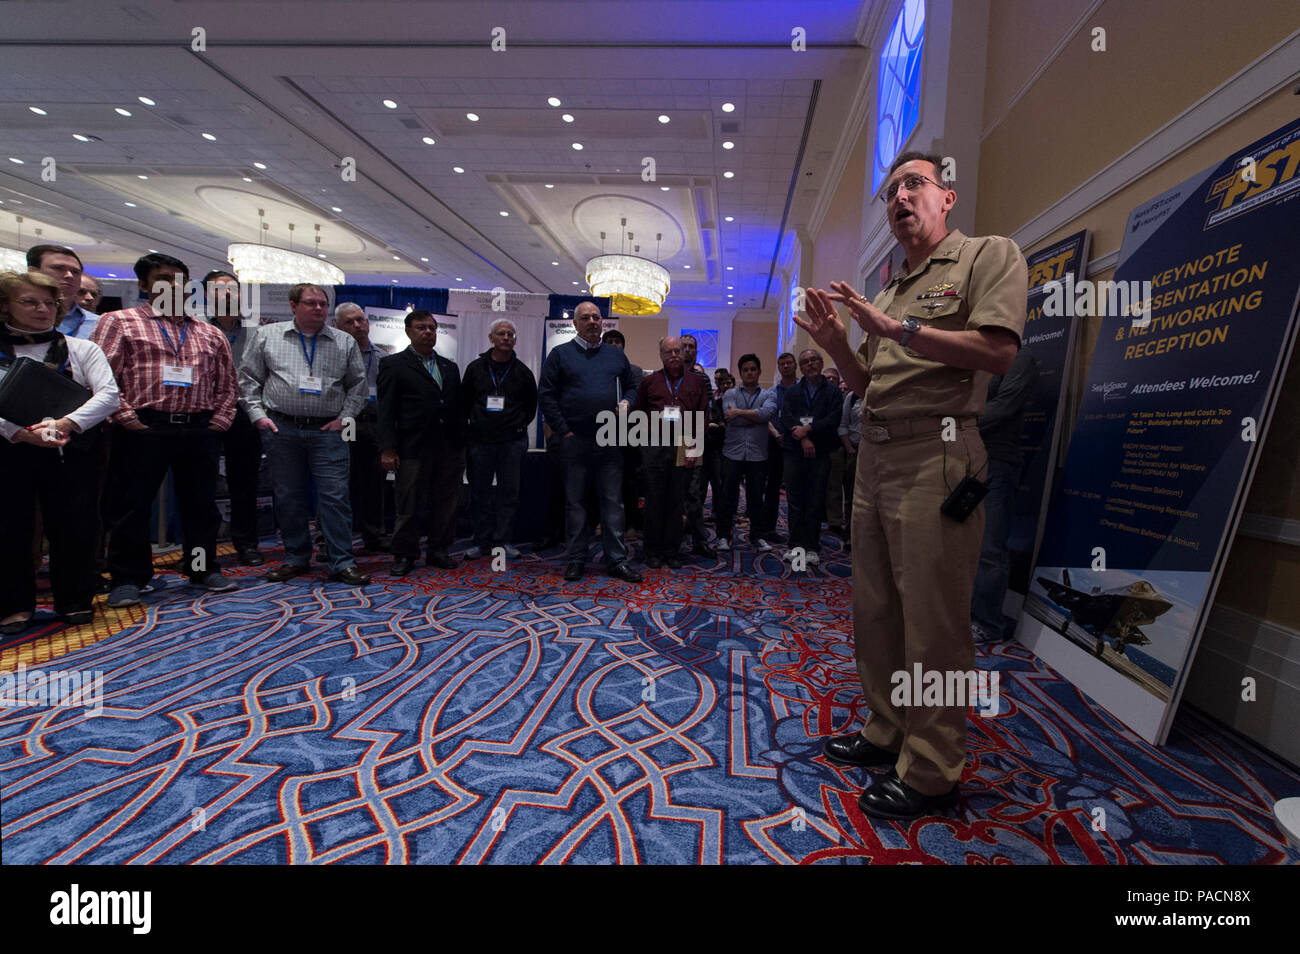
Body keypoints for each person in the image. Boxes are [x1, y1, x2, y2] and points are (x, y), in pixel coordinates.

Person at [798, 150, 1028, 820]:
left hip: (941, 452)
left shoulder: (988, 255)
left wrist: (900, 329)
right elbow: (865, 383)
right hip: (876, 453)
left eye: (912, 185)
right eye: (890, 192)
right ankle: (887, 729)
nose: (899, 198)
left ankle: (932, 768)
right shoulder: (891, 288)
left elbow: (999, 353)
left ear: (946, 196)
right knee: (875, 609)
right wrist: (839, 342)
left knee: (933, 619)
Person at [92, 253, 240, 606]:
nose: (173, 286)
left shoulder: (209, 331)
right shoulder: (119, 322)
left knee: (201, 507)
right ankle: (129, 578)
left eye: (179, 279)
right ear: (144, 285)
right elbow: (101, 378)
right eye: (163, 279)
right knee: (131, 506)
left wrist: (219, 422)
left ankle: (202, 567)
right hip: (143, 427)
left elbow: (228, 384)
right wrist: (127, 418)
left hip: (198, 428)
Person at [0, 271, 118, 633]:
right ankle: (14, 605)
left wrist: (62, 425)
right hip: (8, 450)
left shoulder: (81, 348)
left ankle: (75, 600)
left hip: (71, 449)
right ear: (5, 306)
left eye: (50, 303)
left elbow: (108, 395)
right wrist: (19, 433)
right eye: (30, 302)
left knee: (75, 526)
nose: (43, 309)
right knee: (9, 529)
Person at [240, 283, 370, 585]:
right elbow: (247, 380)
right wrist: (258, 416)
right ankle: (296, 558)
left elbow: (358, 387)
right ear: (293, 305)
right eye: (311, 303)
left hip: (328, 431)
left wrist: (344, 419)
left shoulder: (344, 341)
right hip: (281, 428)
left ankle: (341, 562)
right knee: (288, 497)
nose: (318, 309)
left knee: (335, 497)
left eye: (323, 304)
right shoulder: (267, 335)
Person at [537, 301, 642, 583]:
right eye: (586, 317)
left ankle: (617, 561)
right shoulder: (559, 355)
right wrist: (563, 431)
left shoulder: (615, 356)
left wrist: (627, 401)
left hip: (609, 441)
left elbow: (632, 386)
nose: (593, 321)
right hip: (575, 442)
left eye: (597, 317)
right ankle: (576, 559)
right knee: (576, 504)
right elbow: (546, 395)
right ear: (575, 323)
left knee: (613, 503)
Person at [376, 310, 465, 575]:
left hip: (448, 447)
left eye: (432, 328)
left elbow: (455, 407)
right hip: (412, 447)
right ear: (408, 332)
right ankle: (404, 554)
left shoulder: (449, 367)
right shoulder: (394, 365)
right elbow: (386, 410)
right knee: (409, 504)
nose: (428, 332)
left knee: (447, 503)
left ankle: (438, 550)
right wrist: (387, 448)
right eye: (421, 328)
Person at [971, 344, 1040, 641]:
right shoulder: (974, 362)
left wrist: (957, 425)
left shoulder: (1020, 360)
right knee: (961, 545)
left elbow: (1003, 407)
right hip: (963, 460)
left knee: (990, 547)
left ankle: (987, 623)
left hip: (997, 463)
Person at [461, 318, 537, 560]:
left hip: (512, 443)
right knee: (479, 492)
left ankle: (502, 541)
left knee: (509, 494)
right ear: (491, 338)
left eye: (511, 334)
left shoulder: (523, 372)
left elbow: (531, 407)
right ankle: (480, 541)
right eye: (501, 334)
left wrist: (516, 426)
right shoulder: (475, 368)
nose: (506, 338)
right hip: (480, 441)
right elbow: (464, 401)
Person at [203, 270, 264, 566]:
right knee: (200, 484)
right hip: (205, 413)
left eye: (233, 289)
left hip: (244, 414)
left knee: (245, 483)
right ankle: (202, 549)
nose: (228, 294)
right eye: (219, 289)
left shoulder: (257, 332)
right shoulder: (196, 329)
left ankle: (247, 544)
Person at [634, 336, 708, 569]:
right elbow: (640, 413)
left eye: (678, 350)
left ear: (684, 353)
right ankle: (653, 551)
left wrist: (694, 448)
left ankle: (672, 551)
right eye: (669, 352)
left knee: (677, 502)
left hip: (683, 445)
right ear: (661, 355)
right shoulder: (650, 382)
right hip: (655, 446)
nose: (675, 355)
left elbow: (703, 417)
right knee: (654, 501)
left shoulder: (697, 382)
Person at [332, 302, 392, 553]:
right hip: (342, 424)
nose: (358, 326)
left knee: (373, 484)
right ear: (337, 326)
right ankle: (330, 540)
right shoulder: (333, 354)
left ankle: (373, 535)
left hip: (372, 425)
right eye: (350, 322)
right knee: (336, 486)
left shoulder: (384, 359)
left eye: (361, 320)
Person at [777, 349, 842, 564]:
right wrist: (803, 438)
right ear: (801, 367)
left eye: (814, 360)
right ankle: (795, 544)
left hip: (820, 452)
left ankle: (812, 546)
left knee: (815, 499)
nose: (810, 364)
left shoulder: (832, 392)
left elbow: (833, 419)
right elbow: (786, 416)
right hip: (795, 452)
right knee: (795, 500)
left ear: (821, 363)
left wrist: (809, 430)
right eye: (805, 362)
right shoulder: (793, 392)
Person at [715, 354, 777, 552]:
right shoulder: (730, 393)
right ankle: (723, 536)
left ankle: (757, 536)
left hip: (757, 454)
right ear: (740, 373)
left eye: (753, 369)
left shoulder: (769, 394)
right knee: (727, 497)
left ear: (759, 371)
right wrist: (755, 416)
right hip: (732, 452)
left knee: (756, 497)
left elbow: (767, 414)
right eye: (745, 370)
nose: (749, 372)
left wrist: (740, 413)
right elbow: (729, 418)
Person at [602, 328, 643, 535]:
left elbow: (639, 398)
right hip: (603, 429)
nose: (613, 344)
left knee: (630, 480)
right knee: (604, 479)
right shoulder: (596, 369)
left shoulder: (634, 371)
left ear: (623, 346)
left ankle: (632, 523)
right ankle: (603, 522)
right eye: (608, 341)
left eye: (617, 341)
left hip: (629, 432)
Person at [679, 333, 714, 556]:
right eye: (684, 346)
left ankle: (699, 541)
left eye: (692, 347)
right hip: (669, 440)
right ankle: (672, 538)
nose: (688, 350)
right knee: (671, 492)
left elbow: (705, 413)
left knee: (693, 493)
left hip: (692, 440)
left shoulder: (702, 379)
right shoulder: (668, 376)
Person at [763, 351, 798, 542]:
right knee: (772, 487)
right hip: (776, 443)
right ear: (779, 367)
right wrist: (775, 433)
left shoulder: (804, 389)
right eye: (782, 364)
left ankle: (797, 532)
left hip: (798, 444)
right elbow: (766, 416)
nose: (786, 366)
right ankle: (769, 529)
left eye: (789, 363)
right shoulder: (772, 392)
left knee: (796, 488)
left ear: (795, 365)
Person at [27, 244, 97, 339]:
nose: (69, 275)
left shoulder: (97, 324)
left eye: (75, 272)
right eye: (58, 268)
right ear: (32, 271)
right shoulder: (9, 316)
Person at [835, 378, 863, 551]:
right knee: (852, 494)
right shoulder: (851, 397)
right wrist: (849, 448)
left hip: (879, 452)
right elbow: (843, 425)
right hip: (855, 449)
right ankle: (851, 535)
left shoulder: (881, 394)